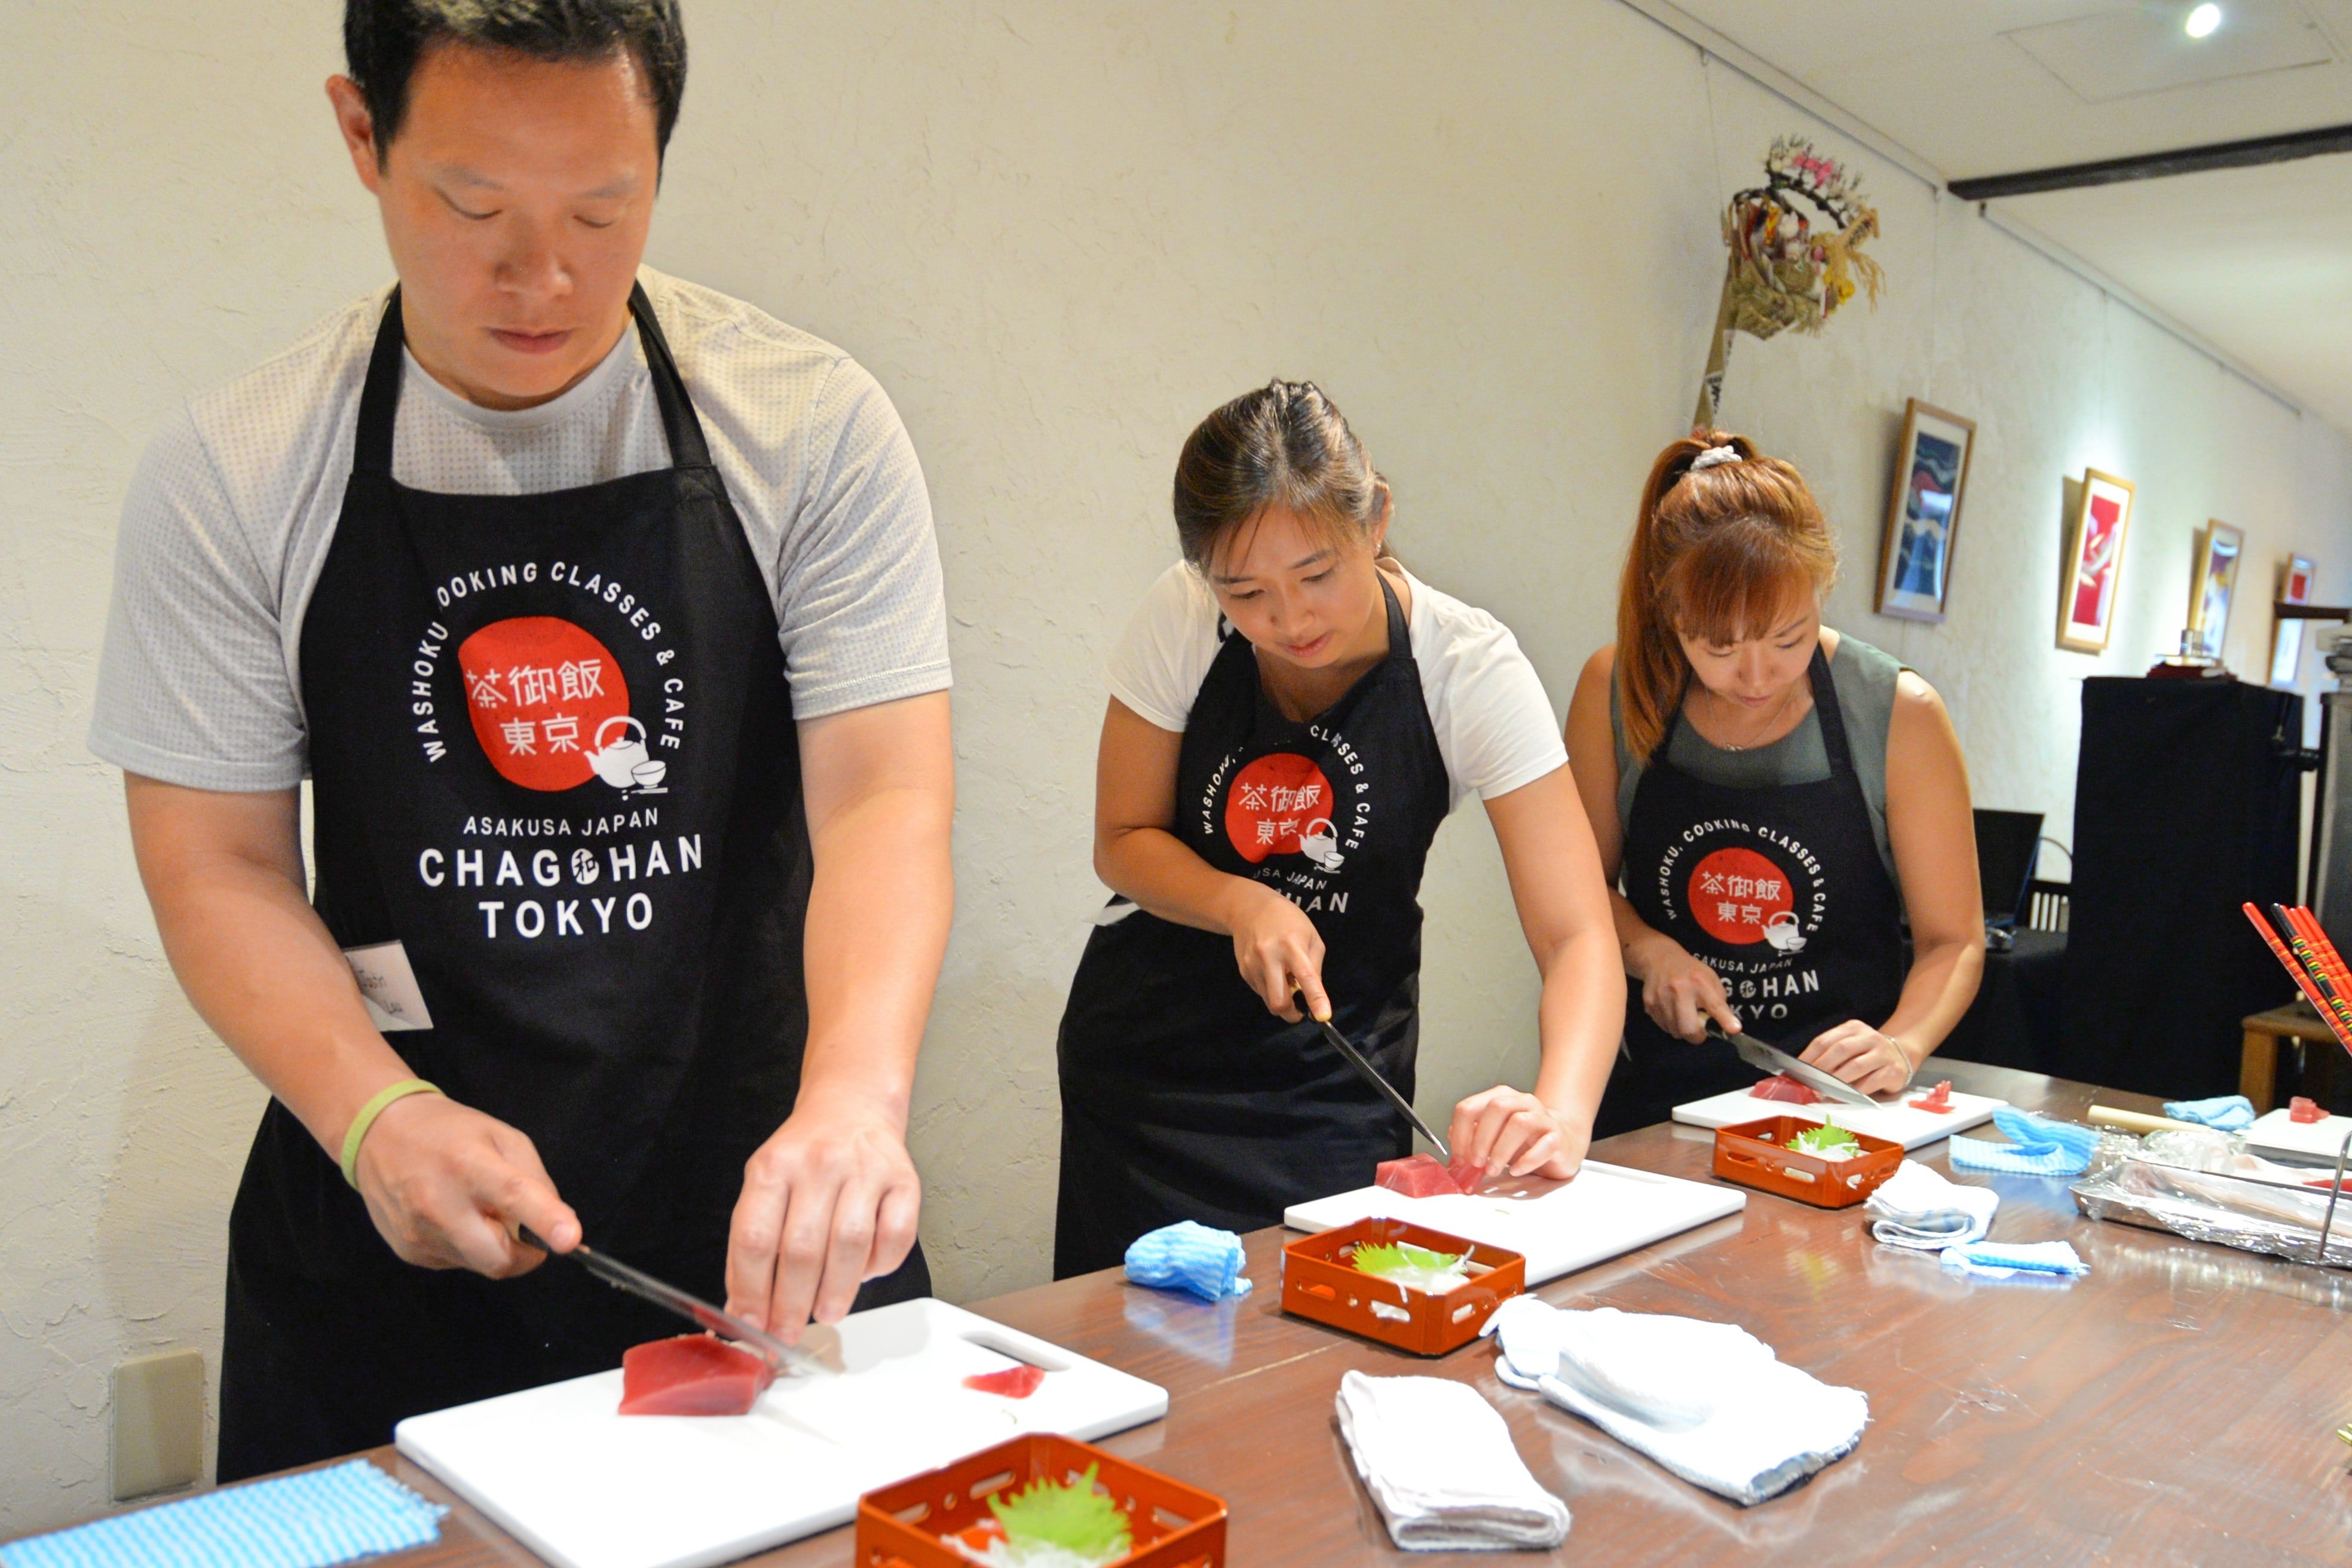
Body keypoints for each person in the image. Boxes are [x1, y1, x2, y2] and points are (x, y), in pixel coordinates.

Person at [88, 0, 954, 1478]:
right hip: (393, 1235)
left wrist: (856, 1101)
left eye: (602, 211)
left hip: (755, 1218)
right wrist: (376, 1119)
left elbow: (881, 795)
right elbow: (218, 862)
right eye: (472, 204)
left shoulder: (808, 423)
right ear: (363, 136)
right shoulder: (238, 466)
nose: (541, 275)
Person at [1052, 381, 1625, 1276]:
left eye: (1317, 575)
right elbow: (1121, 838)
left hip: (1335, 1074)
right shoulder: (1183, 616)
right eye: (1246, 592)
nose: (1289, 620)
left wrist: (1563, 1114)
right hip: (1148, 1075)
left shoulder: (1466, 668)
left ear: (1377, 520)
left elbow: (1578, 931)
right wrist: (1240, 903)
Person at [1564, 432, 1983, 1138]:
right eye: (1717, 648)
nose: (1756, 678)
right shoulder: (1618, 686)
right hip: (1658, 1103)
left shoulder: (1897, 712)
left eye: (1787, 640)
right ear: (1671, 612)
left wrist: (1901, 1044)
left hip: (1838, 1106)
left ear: (1821, 587)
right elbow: (1577, 891)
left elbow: (1954, 940)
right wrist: (1651, 951)